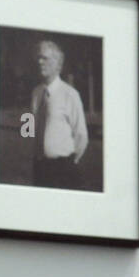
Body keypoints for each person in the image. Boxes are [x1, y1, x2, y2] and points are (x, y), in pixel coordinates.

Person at [29, 40, 88, 190]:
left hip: (62, 169)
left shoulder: (70, 95)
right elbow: (29, 128)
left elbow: (81, 135)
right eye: (38, 58)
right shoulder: (36, 93)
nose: (40, 62)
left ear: (58, 64)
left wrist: (70, 162)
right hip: (39, 167)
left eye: (45, 58)